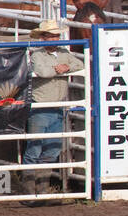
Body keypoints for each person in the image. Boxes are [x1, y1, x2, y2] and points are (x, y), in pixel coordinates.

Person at [22, 19, 85, 196]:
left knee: (52, 148)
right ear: (43, 38)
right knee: (35, 147)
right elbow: (42, 72)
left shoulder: (63, 53)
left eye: (56, 36)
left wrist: (63, 67)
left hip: (57, 107)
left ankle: (41, 188)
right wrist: (61, 69)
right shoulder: (36, 55)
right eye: (50, 36)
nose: (54, 39)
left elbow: (79, 65)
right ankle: (29, 189)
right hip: (41, 107)